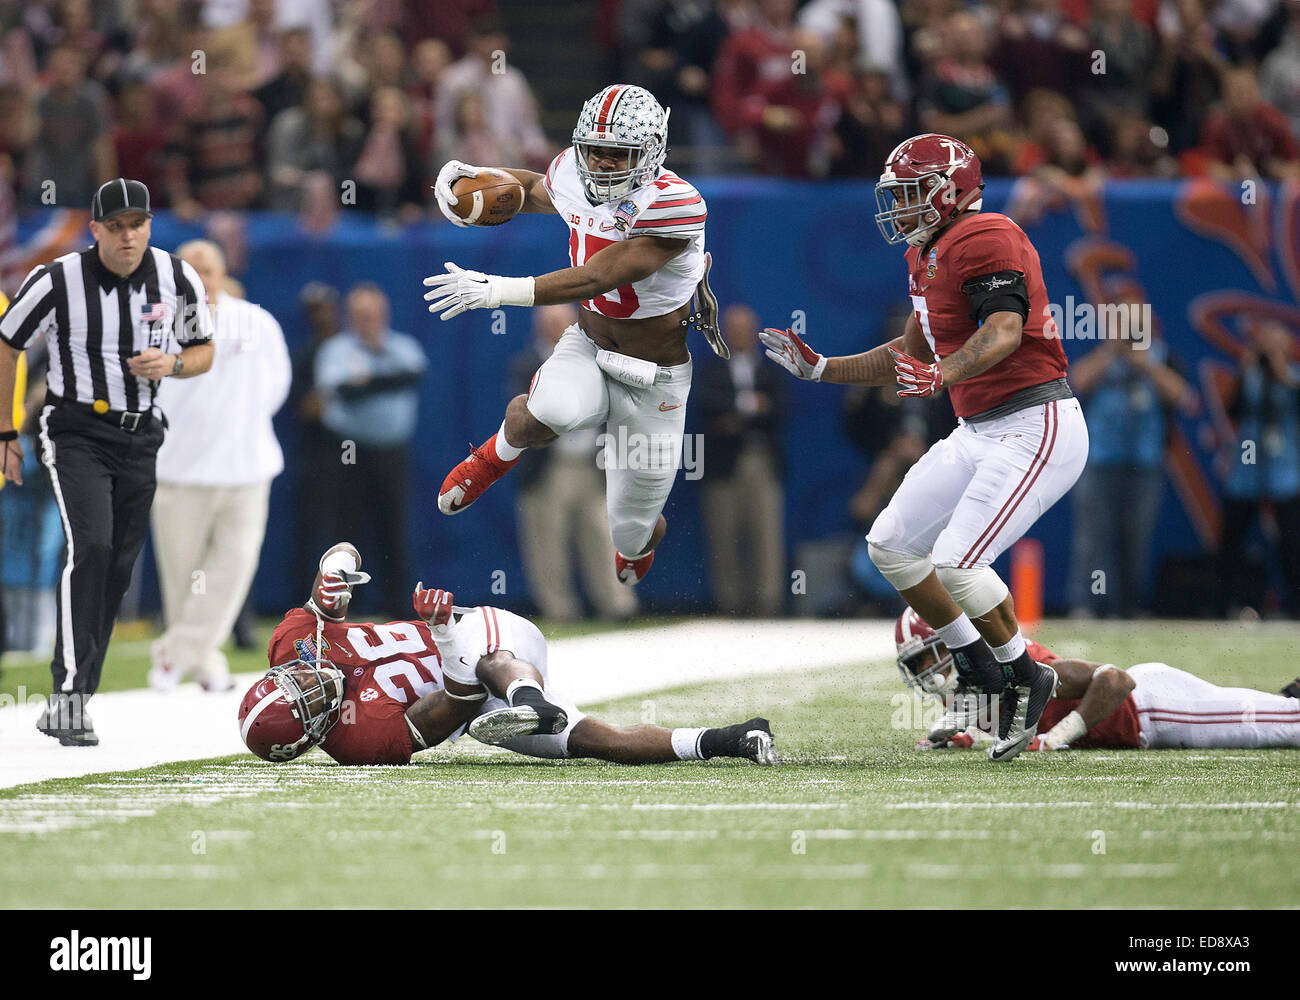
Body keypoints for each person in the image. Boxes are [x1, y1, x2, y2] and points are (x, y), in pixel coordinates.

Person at [760, 134, 1089, 761]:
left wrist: (944, 375)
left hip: (1034, 420)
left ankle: (1025, 673)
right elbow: (907, 352)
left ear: (947, 192)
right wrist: (822, 368)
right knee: (892, 544)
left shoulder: (984, 235)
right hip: (979, 429)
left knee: (959, 562)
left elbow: (1003, 328)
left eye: (910, 194)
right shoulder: (927, 251)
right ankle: (981, 667)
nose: (899, 208)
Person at [424, 83, 724, 587]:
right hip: (589, 344)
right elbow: (534, 190)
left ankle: (636, 546)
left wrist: (500, 290)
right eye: (596, 151)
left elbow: (600, 275)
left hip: (657, 378)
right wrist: (472, 186)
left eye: (619, 154)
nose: (604, 164)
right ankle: (494, 456)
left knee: (630, 531)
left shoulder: (675, 204)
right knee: (551, 411)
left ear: (651, 154)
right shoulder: (570, 169)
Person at [239, 542, 780, 767]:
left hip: (487, 634)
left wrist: (335, 572)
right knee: (587, 741)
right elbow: (456, 703)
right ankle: (730, 738)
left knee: (487, 661)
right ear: (312, 736)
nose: (312, 682)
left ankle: (530, 696)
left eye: (296, 679)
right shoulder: (358, 742)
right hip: (469, 698)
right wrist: (442, 642)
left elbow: (342, 552)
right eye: (308, 703)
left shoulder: (294, 641)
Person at [0, 178, 214, 746]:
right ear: (94, 230)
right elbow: (7, 341)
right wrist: (4, 428)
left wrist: (171, 365)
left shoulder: (177, 275)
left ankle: (75, 693)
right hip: (74, 429)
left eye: (136, 225)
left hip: (141, 433)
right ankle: (69, 695)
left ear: (149, 225)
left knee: (116, 568)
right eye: (114, 227)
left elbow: (203, 351)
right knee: (89, 546)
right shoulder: (58, 278)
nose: (127, 237)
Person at [148, 239, 291, 693]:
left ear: (221, 272)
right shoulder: (157, 324)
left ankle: (173, 655)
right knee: (182, 578)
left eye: (207, 269)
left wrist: (237, 424)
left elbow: (276, 384)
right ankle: (205, 661)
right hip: (178, 471)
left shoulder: (256, 321)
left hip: (246, 468)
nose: (200, 278)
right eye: (190, 270)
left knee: (234, 567)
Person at [892, 607, 1300, 750]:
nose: (925, 672)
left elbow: (1116, 680)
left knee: (1288, 726)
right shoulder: (962, 692)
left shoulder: (1015, 665)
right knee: (1279, 710)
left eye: (929, 656)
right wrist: (957, 736)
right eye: (915, 664)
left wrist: (1058, 736)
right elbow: (985, 720)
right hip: (1150, 711)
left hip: (1156, 710)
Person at [511, 304, 637, 622]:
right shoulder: (526, 366)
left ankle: (616, 604)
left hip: (592, 465)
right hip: (548, 467)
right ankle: (559, 609)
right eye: (552, 323)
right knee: (547, 542)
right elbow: (523, 416)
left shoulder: (596, 361)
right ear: (539, 328)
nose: (559, 329)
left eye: (565, 323)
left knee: (602, 537)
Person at [314, 283, 427, 615]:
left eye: (373, 315)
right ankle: (346, 608)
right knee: (346, 532)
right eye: (361, 315)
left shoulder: (402, 346)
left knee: (394, 528)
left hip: (392, 451)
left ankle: (398, 607)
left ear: (384, 314)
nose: (367, 321)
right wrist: (385, 379)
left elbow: (413, 375)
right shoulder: (336, 349)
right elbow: (343, 391)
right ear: (350, 317)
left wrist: (370, 380)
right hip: (349, 452)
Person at [696, 303, 787, 616]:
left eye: (744, 328)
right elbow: (706, 406)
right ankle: (729, 602)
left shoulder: (771, 368)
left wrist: (736, 416)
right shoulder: (710, 369)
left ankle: (767, 602)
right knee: (724, 536)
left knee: (765, 535)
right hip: (723, 465)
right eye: (732, 329)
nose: (739, 334)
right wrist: (748, 406)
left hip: (761, 459)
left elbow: (781, 409)